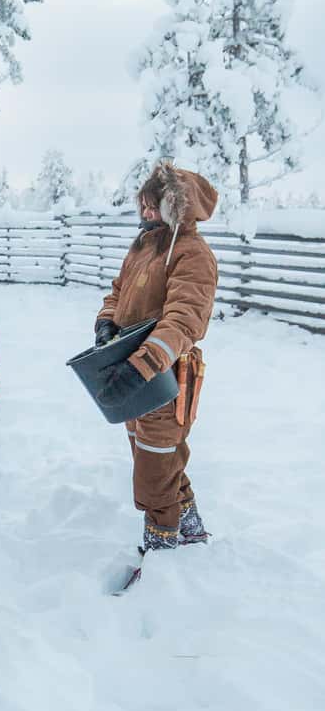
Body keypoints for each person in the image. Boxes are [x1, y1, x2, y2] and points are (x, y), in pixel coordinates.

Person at [94, 160, 219, 551]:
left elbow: (184, 321)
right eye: (143, 204)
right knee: (155, 459)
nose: (146, 213)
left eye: (154, 205)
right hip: (134, 369)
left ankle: (162, 542)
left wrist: (141, 367)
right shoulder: (144, 246)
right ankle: (190, 523)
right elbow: (118, 292)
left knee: (154, 467)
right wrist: (106, 322)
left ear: (174, 207)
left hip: (166, 377)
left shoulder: (192, 254)